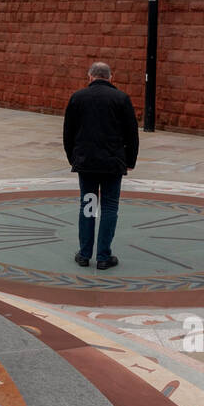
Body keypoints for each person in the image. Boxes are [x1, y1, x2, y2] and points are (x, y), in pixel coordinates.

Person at [63, 62, 140, 270]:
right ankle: (104, 256)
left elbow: (68, 132)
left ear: (90, 76)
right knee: (109, 207)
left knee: (88, 206)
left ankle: (84, 254)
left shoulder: (78, 97)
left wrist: (73, 158)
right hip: (112, 164)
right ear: (110, 77)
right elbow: (132, 133)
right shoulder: (121, 99)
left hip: (86, 164)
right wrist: (130, 161)